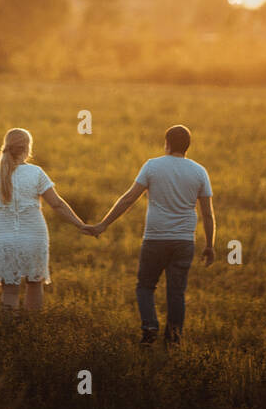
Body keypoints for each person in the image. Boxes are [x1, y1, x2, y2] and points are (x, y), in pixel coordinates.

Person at [84, 123, 215, 345]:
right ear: (188, 147)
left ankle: (149, 326)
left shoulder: (152, 166)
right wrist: (210, 245)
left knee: (145, 286)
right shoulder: (199, 171)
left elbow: (128, 199)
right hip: (184, 241)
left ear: (167, 144)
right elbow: (207, 214)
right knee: (176, 293)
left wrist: (103, 224)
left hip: (155, 238)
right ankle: (173, 340)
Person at [0, 127, 93, 319]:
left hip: (4, 238)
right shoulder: (36, 173)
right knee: (34, 285)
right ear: (27, 148)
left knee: (9, 290)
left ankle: (9, 334)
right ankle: (32, 332)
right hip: (33, 237)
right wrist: (80, 224)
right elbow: (57, 204)